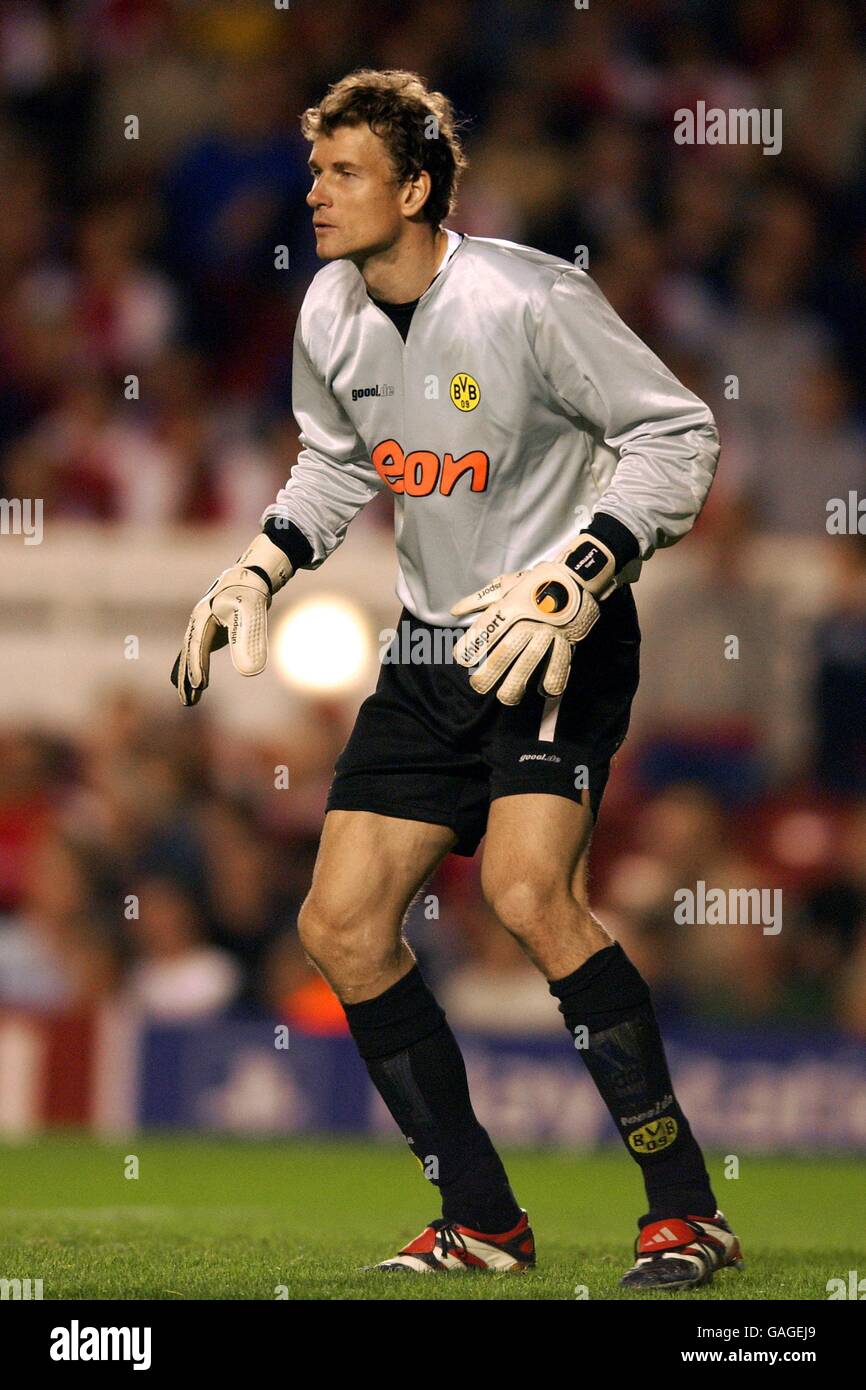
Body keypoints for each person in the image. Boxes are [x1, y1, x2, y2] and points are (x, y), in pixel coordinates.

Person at [172, 68, 743, 1291]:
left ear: (416, 187)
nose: (315, 193)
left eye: (342, 173)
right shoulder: (328, 308)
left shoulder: (531, 296)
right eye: (315, 169)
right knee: (335, 924)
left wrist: (581, 568)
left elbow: (675, 433)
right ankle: (482, 1217)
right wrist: (255, 568)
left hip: (552, 638)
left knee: (531, 895)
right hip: (430, 648)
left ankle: (685, 1211)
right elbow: (336, 466)